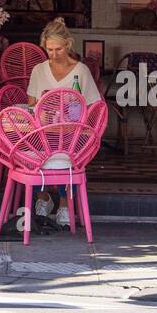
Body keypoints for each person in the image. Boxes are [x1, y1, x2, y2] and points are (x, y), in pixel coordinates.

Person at [27, 17, 100, 228]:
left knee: (68, 152)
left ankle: (64, 205)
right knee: (29, 152)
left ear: (68, 45)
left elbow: (94, 107)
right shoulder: (39, 70)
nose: (53, 54)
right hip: (44, 131)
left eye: (58, 49)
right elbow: (31, 105)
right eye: (49, 49)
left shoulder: (81, 72)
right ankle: (42, 199)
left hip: (72, 134)